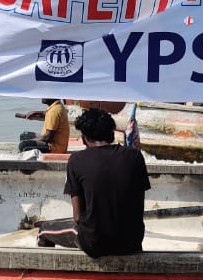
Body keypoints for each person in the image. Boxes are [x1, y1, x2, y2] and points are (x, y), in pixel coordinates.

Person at [36, 108, 151, 257]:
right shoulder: (135, 156)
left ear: (84, 138)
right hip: (132, 241)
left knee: (44, 230)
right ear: (111, 133)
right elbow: (138, 207)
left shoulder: (76, 160)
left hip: (95, 243)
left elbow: (77, 217)